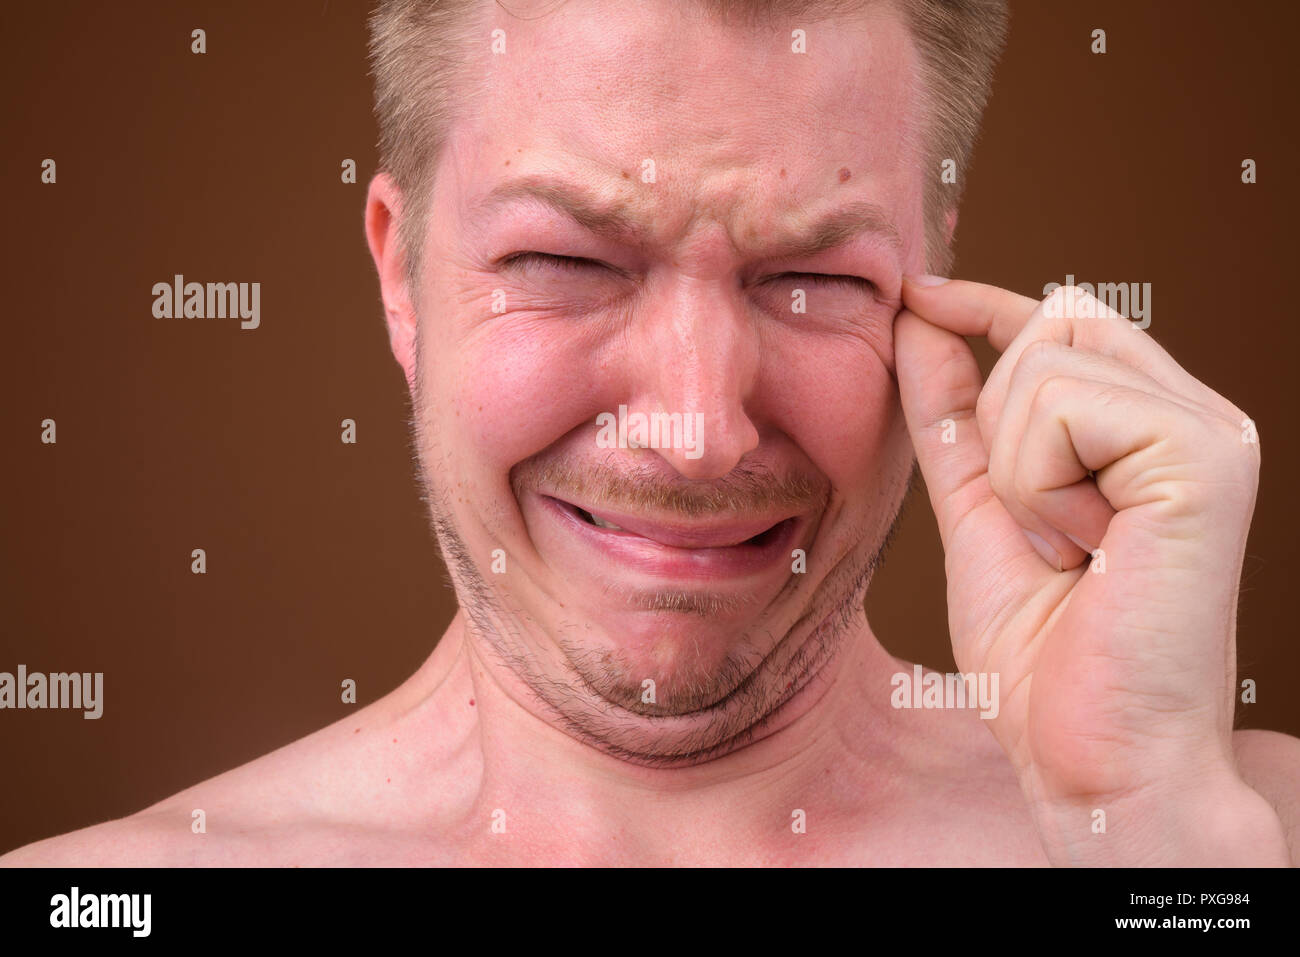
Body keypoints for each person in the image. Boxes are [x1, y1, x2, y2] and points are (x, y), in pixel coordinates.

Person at [5, 0, 1297, 867]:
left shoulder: (1239, 835)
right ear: (401, 281)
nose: (697, 430)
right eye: (567, 259)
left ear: (931, 285)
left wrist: (1152, 835)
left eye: (814, 281)